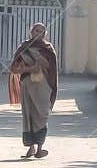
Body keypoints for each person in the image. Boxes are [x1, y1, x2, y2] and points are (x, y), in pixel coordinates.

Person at [8, 23, 59, 159]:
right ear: (31, 32)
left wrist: (42, 63)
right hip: (27, 85)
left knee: (42, 114)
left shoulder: (48, 48)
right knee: (28, 114)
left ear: (45, 34)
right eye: (36, 30)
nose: (38, 33)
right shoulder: (24, 48)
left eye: (42, 31)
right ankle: (31, 148)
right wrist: (30, 68)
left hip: (44, 86)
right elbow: (13, 69)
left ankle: (40, 148)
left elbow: (52, 68)